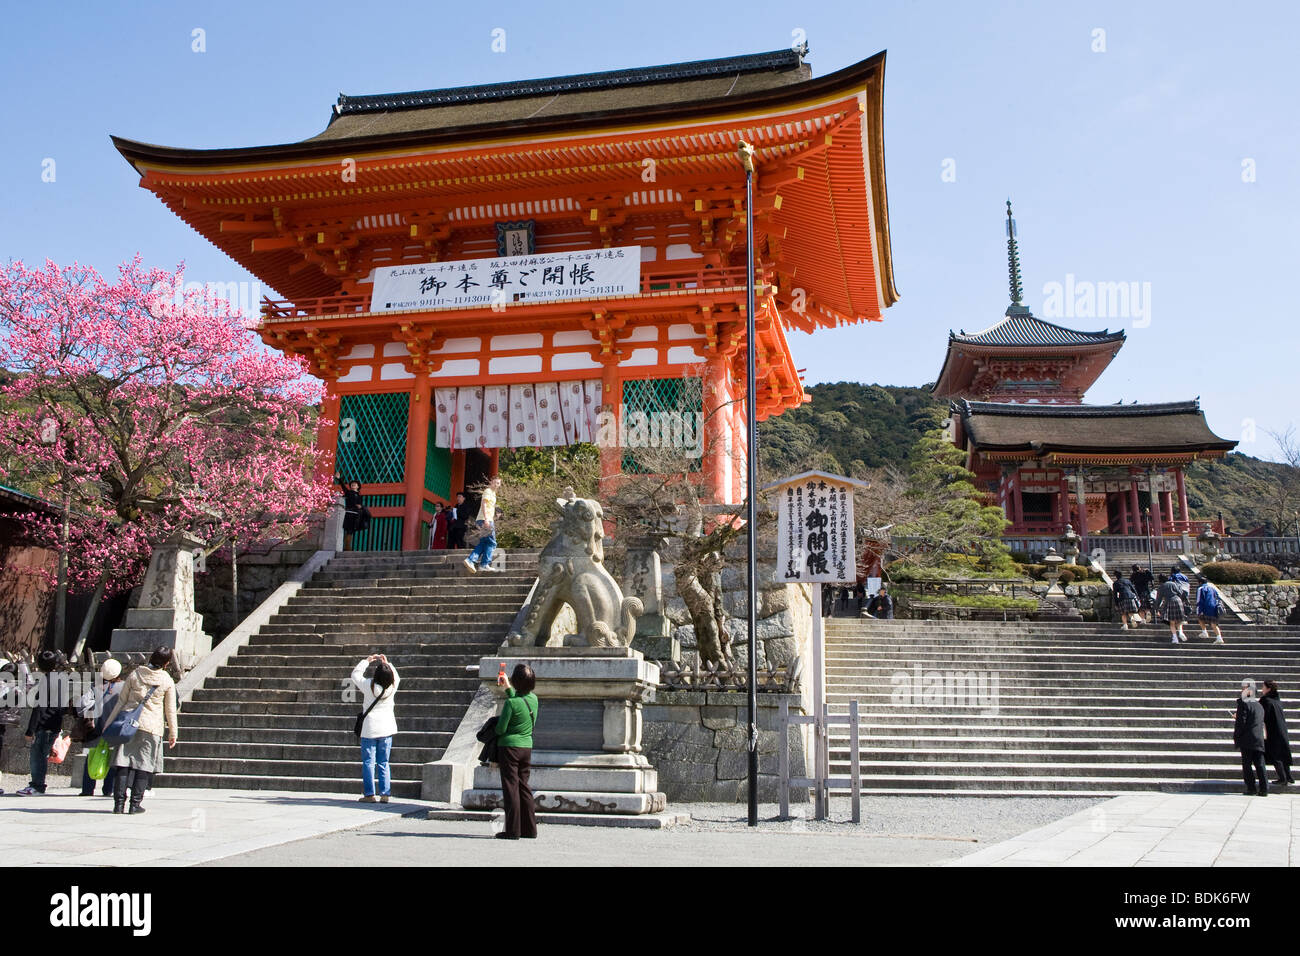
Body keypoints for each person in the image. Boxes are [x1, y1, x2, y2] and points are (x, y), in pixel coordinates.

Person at [111, 646, 179, 814]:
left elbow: (121, 700)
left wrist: (110, 722)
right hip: (152, 726)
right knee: (144, 765)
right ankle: (135, 804)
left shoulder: (135, 674)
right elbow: (170, 709)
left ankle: (118, 804)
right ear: (167, 663)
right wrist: (173, 732)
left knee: (122, 763)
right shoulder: (167, 681)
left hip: (129, 723)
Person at [494, 663, 538, 840]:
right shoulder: (534, 699)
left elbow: (500, 729)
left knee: (511, 788)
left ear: (515, 681)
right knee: (523, 787)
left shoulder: (511, 703)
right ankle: (529, 829)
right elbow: (521, 701)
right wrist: (508, 689)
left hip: (509, 748)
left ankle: (512, 830)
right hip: (526, 747)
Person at [18, 649, 68, 796]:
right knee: (43, 755)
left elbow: (39, 708)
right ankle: (38, 784)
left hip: (44, 724)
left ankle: (37, 785)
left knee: (37, 756)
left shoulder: (46, 680)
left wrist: (30, 730)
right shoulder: (63, 678)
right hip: (55, 723)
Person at [351, 653, 399, 803]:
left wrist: (366, 661)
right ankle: (385, 793)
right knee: (384, 762)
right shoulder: (393, 686)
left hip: (370, 728)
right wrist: (388, 663)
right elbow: (396, 676)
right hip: (386, 728)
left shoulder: (368, 686)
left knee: (368, 762)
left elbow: (355, 675)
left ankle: (369, 794)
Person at [78, 659, 124, 798]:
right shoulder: (123, 687)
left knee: (91, 756)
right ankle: (108, 789)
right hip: (114, 728)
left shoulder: (96, 686)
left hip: (96, 727)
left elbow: (81, 704)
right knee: (112, 759)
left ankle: (87, 789)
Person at [1233, 678, 1268, 796]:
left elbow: (1241, 722)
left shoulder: (1243, 703)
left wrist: (1237, 736)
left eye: (1244, 688)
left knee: (1247, 764)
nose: (1242, 690)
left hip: (1247, 738)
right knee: (1260, 763)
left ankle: (1251, 788)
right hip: (1258, 738)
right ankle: (1264, 788)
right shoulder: (1259, 705)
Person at [464, 476, 502, 573]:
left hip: (488, 519)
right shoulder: (488, 491)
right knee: (492, 543)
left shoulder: (493, 494)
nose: (496, 485)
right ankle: (483, 564)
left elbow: (490, 507)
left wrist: (494, 516)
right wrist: (486, 519)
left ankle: (472, 560)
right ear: (491, 482)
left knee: (484, 542)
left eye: (498, 483)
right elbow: (484, 505)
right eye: (495, 482)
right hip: (485, 520)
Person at [1260, 680, 1294, 787]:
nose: (1262, 689)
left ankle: (1283, 778)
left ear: (1268, 689)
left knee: (1276, 756)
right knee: (1283, 754)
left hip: (1273, 731)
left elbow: (1262, 715)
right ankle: (1288, 777)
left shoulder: (1265, 700)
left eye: (1263, 687)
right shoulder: (1277, 700)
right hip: (1282, 730)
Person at [1155, 574, 1187, 644]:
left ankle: (1175, 638)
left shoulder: (1161, 587)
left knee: (1172, 622)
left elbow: (1158, 600)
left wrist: (1156, 609)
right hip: (1178, 600)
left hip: (1169, 602)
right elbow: (1180, 592)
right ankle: (1181, 632)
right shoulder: (1173, 584)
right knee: (1179, 620)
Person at [337, 476, 365, 551]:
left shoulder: (359, 495)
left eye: (355, 484)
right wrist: (339, 479)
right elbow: (343, 486)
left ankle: (347, 547)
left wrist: (360, 506)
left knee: (351, 531)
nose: (353, 485)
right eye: (352, 484)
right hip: (349, 513)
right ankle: (347, 548)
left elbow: (361, 505)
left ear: (358, 486)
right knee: (349, 530)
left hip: (356, 515)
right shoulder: (348, 492)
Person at [1196, 579, 1226, 644]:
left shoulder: (1200, 589)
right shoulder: (1212, 588)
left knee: (1200, 618)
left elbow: (1199, 601)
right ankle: (1219, 637)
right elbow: (1217, 597)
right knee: (1214, 623)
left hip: (1206, 607)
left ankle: (1204, 632)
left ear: (1200, 582)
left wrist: (1198, 611)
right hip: (1214, 607)